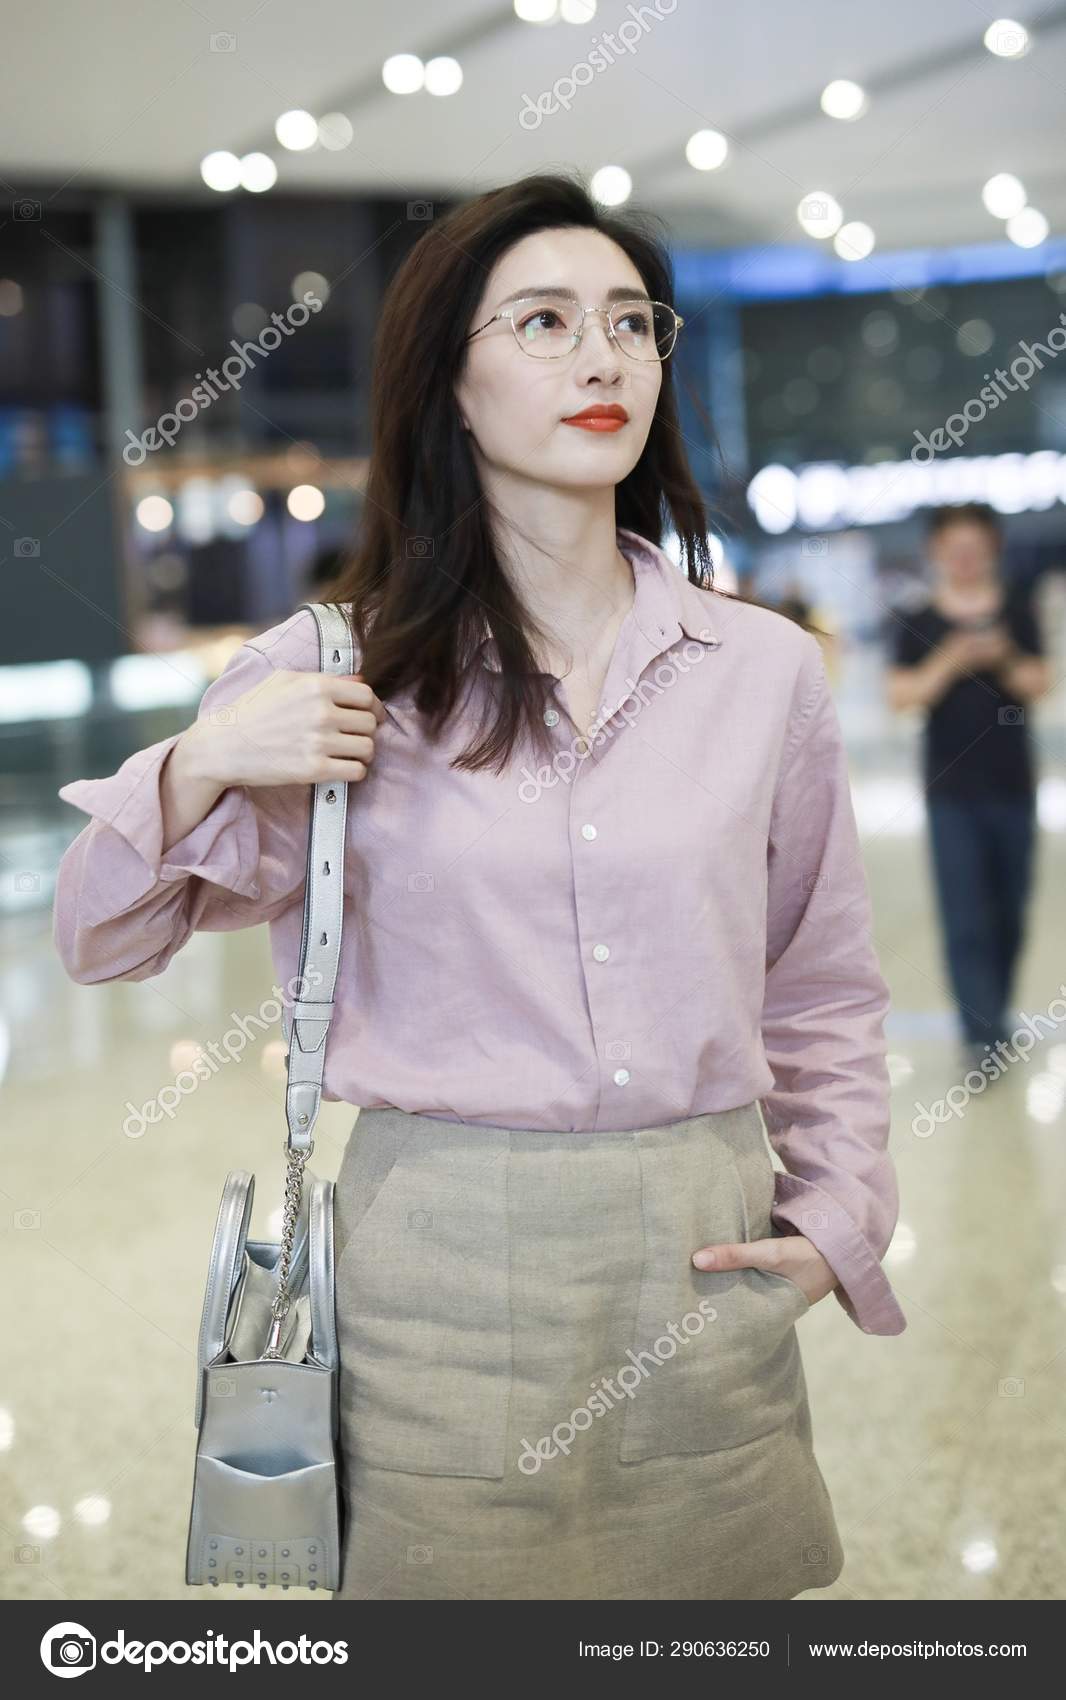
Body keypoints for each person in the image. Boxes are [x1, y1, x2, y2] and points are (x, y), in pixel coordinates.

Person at [53, 171, 904, 1602]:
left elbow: (819, 981)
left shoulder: (760, 671)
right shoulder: (337, 673)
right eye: (545, 322)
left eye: (630, 323)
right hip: (436, 1272)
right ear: (446, 383)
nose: (602, 358)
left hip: (704, 1246)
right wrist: (200, 765)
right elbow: (97, 939)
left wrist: (838, 1218)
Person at [886, 502, 1049, 1074]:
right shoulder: (917, 619)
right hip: (949, 791)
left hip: (1013, 786)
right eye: (954, 548)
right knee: (965, 915)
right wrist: (950, 660)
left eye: (975, 547)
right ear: (936, 552)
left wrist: (1003, 655)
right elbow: (901, 696)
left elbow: (1040, 682)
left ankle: (996, 1014)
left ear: (992, 549)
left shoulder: (1017, 610)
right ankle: (980, 1035)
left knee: (1011, 909)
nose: (965, 558)